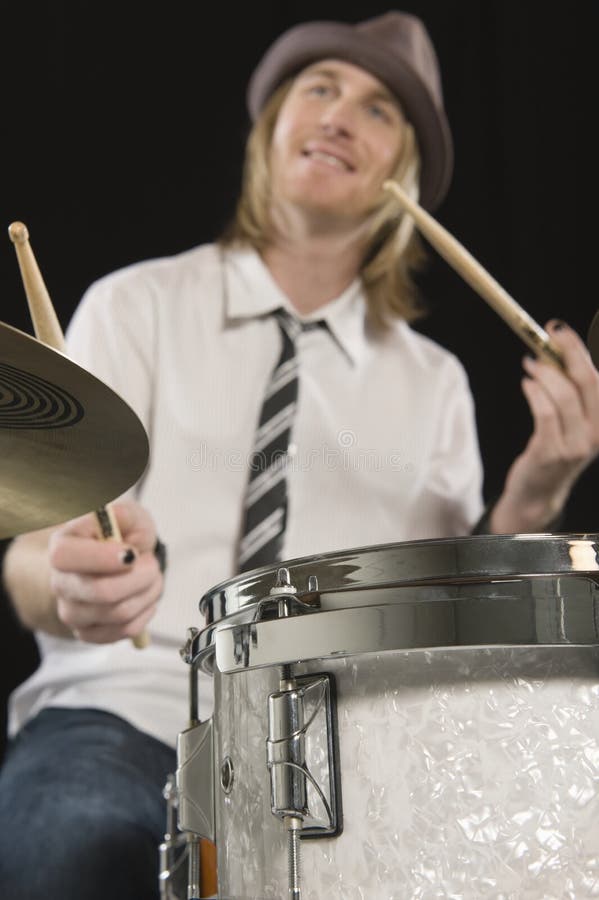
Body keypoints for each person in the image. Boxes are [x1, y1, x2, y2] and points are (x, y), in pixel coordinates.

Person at [1, 10, 598, 900]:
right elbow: (29, 563)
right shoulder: (134, 306)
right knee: (74, 849)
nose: (338, 115)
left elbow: (455, 605)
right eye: (318, 88)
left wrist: (539, 489)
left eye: (379, 110)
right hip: (125, 709)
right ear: (268, 129)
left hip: (342, 749)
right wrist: (72, 584)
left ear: (405, 176)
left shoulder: (433, 383)